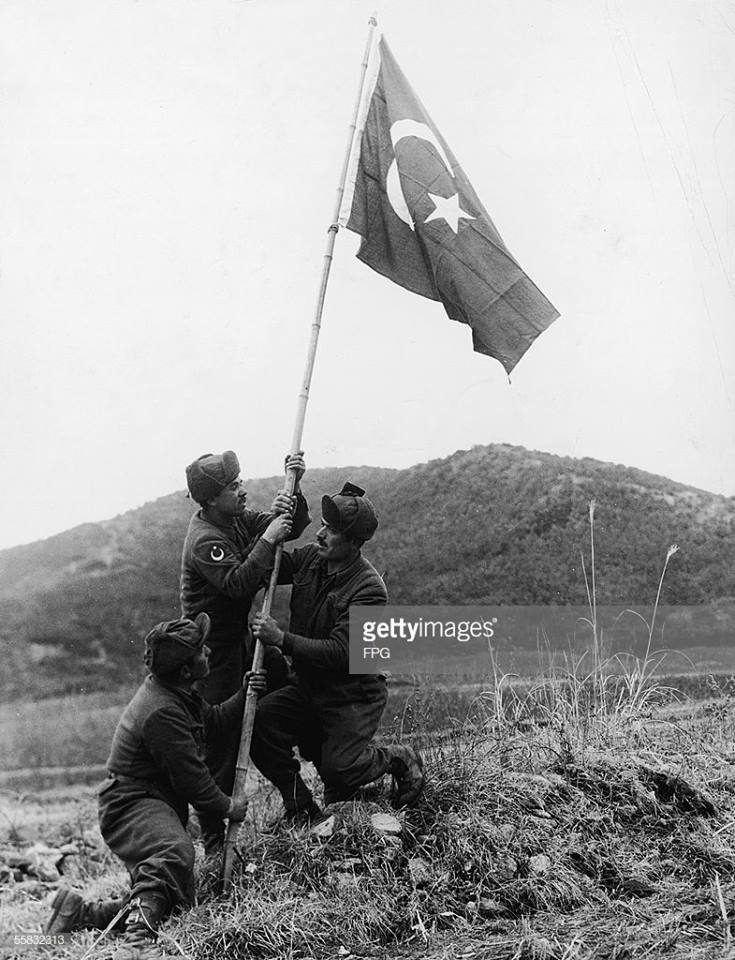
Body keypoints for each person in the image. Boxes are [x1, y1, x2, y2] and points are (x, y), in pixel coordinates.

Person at [46, 614, 265, 960]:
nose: (207, 651)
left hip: (149, 800)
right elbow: (194, 781)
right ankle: (136, 943)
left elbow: (216, 722)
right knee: (173, 853)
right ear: (186, 670)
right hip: (130, 804)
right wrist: (229, 806)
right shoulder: (162, 710)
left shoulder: (177, 693)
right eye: (200, 651)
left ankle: (80, 914)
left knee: (174, 898)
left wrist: (246, 692)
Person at [249, 481, 424, 825]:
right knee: (261, 722)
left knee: (340, 768)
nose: (321, 534)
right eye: (324, 524)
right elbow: (270, 567)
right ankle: (301, 809)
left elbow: (343, 652)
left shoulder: (369, 588)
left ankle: (397, 758)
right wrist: (277, 515)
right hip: (310, 685)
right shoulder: (313, 558)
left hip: (351, 693)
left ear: (356, 542)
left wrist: (280, 639)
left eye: (333, 530)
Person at [180, 449, 310, 850]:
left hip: (245, 636)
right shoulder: (205, 541)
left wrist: (294, 487)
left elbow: (290, 527)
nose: (242, 490)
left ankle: (300, 802)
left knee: (283, 698)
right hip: (213, 653)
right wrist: (268, 537)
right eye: (232, 487)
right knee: (219, 741)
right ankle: (216, 840)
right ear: (210, 499)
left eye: (240, 482)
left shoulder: (235, 518)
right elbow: (238, 583)